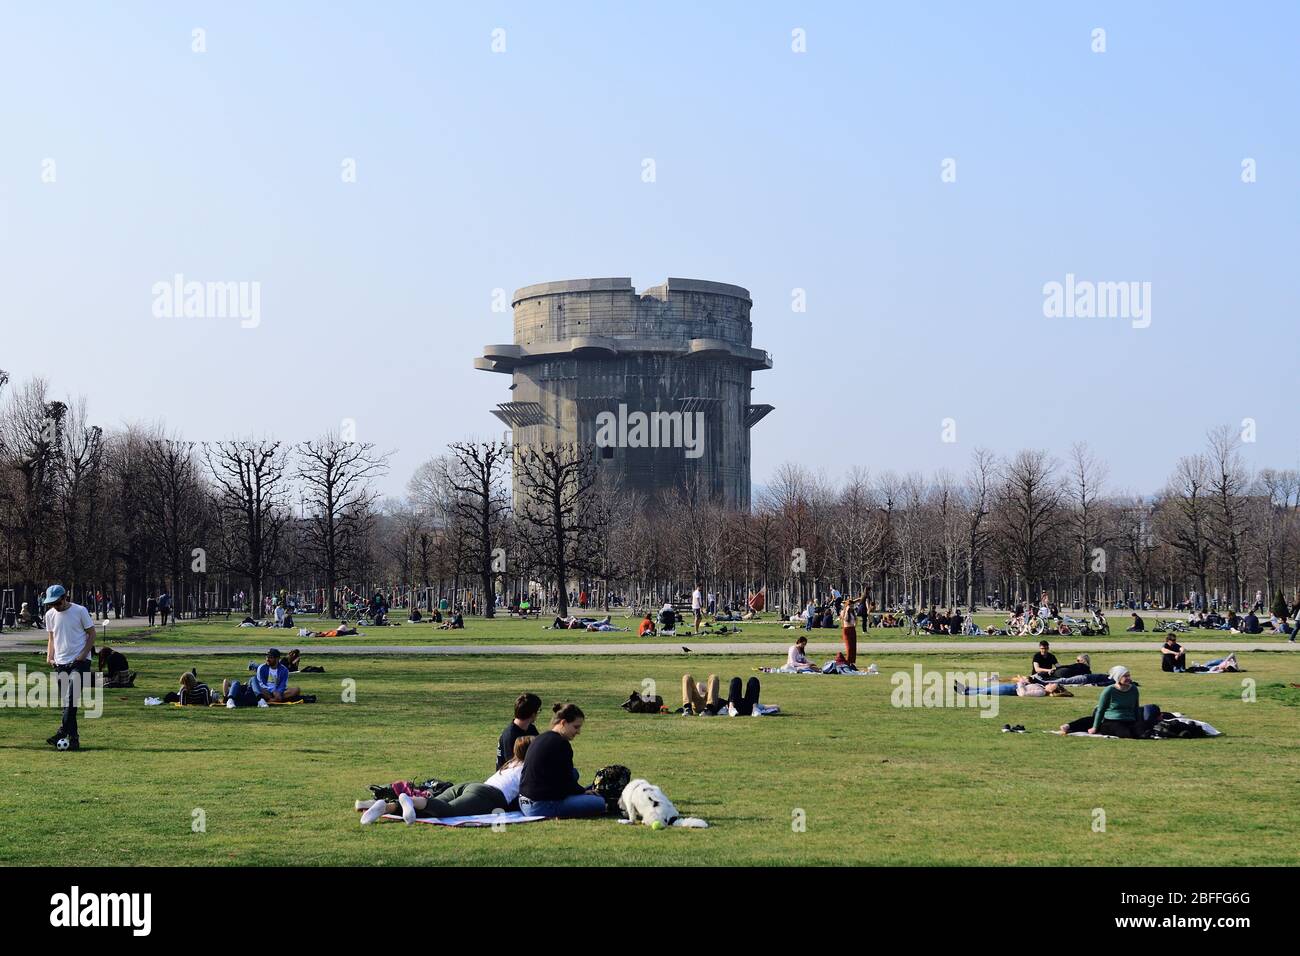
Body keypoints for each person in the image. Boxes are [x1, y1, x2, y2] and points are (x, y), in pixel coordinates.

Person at [517, 703, 607, 818]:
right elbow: (565, 781)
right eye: (576, 727)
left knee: (575, 774)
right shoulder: (561, 744)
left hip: (524, 802)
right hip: (541, 806)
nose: (578, 732)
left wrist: (580, 790)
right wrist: (582, 792)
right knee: (600, 802)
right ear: (563, 723)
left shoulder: (540, 737)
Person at [43, 585, 96, 750]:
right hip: (60, 663)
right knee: (68, 703)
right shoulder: (50, 615)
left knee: (71, 700)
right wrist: (49, 656)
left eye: (57, 603)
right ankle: (73, 739)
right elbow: (52, 637)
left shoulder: (80, 611)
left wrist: (82, 655)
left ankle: (61, 731)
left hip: (80, 663)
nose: (55, 607)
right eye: (51, 604)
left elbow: (92, 634)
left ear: (65, 598)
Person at [1059, 666, 1146, 738]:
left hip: (1128, 720)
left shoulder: (1134, 689)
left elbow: (1136, 708)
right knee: (1125, 733)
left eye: (1129, 676)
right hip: (1111, 721)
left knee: (1142, 732)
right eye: (1125, 676)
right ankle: (1070, 726)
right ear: (1117, 678)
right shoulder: (1109, 690)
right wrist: (1095, 728)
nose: (1128, 678)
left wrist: (1139, 723)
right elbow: (1101, 710)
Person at [680, 673, 762, 716]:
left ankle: (709, 709)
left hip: (711, 704)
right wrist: (707, 691)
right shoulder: (704, 693)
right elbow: (699, 685)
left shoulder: (718, 700)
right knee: (686, 677)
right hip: (698, 703)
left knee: (713, 677)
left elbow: (700, 685)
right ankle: (687, 708)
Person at [497, 693, 541, 770]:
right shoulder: (510, 736)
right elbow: (513, 766)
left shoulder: (530, 728)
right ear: (533, 714)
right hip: (511, 777)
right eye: (538, 710)